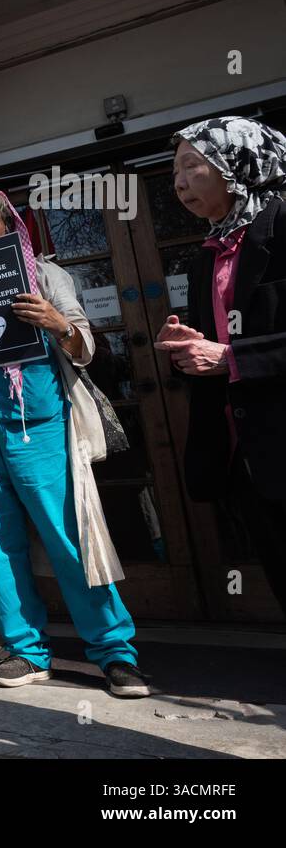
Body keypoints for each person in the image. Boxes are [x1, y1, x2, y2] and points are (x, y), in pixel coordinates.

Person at [0, 189, 149, 698]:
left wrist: (55, 323)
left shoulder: (45, 274)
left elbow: (84, 342)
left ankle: (115, 652)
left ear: (11, 226)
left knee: (65, 535)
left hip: (36, 418)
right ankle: (26, 650)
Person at [156, 116, 286, 615]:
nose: (180, 183)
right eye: (174, 173)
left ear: (236, 161)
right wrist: (185, 351)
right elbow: (209, 355)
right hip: (245, 455)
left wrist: (231, 358)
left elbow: (231, 355)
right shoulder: (205, 257)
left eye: (192, 166)